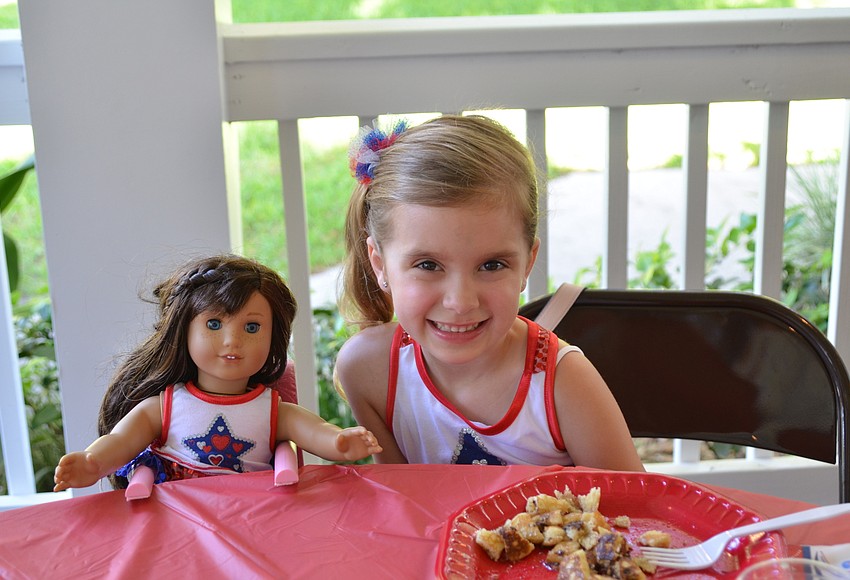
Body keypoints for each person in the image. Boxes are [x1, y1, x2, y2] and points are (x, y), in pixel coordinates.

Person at [335, 114, 643, 471]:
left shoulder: (565, 384)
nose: (461, 302)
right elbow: (400, 502)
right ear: (380, 263)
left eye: (492, 265)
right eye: (428, 265)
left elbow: (634, 510)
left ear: (528, 263)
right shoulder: (368, 371)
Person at [54, 254, 381, 493]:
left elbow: (316, 430)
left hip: (249, 514)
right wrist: (92, 463)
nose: (232, 341)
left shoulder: (272, 410)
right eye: (214, 324)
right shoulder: (166, 405)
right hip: (178, 513)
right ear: (184, 329)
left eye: (252, 327)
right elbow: (122, 441)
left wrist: (340, 442)